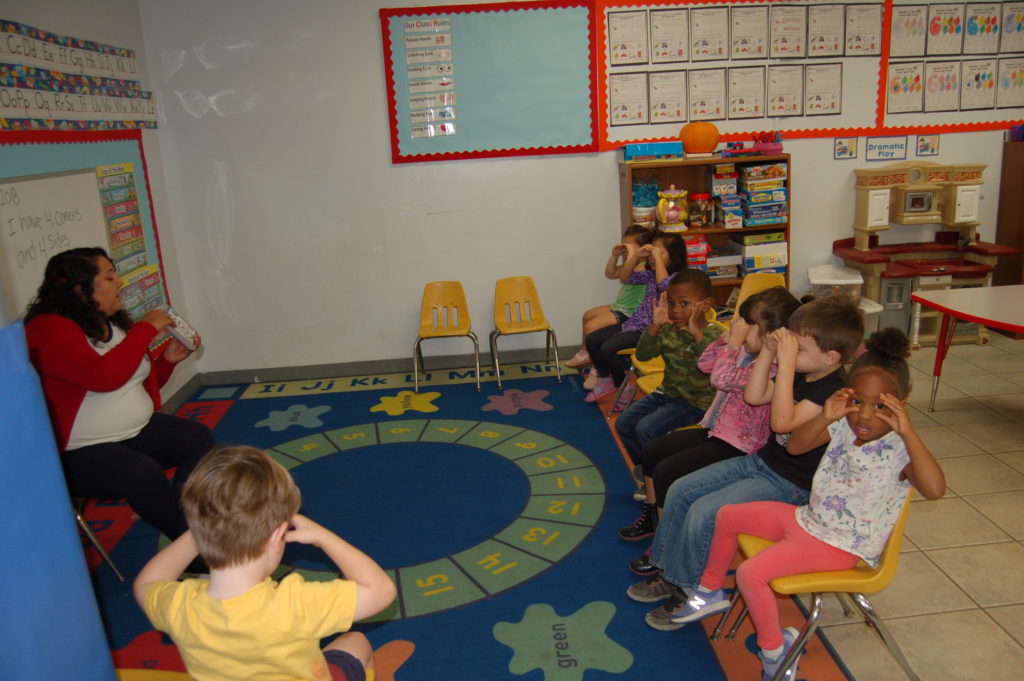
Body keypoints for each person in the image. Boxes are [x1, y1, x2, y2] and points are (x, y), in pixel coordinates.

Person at [663, 328, 944, 681]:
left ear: (900, 405)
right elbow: (796, 446)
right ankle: (709, 592)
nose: (865, 416)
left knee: (751, 574)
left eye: (881, 407)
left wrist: (908, 432)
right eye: (858, 401)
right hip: (807, 520)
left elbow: (934, 489)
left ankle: (774, 655)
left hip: (840, 545)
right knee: (728, 516)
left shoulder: (900, 450)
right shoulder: (843, 424)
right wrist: (827, 415)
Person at [626, 296, 864, 626]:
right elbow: (754, 396)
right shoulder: (804, 371)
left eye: (802, 349)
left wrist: (788, 363)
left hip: (790, 484)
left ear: (831, 357)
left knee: (705, 510)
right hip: (761, 463)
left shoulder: (830, 390)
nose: (794, 352)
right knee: (681, 489)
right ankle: (671, 573)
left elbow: (781, 423)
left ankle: (692, 589)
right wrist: (768, 351)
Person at [135, 446, 397, 681]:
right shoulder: (294, 604)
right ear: (277, 537)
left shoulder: (180, 606)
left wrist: (201, 529)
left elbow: (146, 582)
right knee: (356, 642)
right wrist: (323, 537)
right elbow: (381, 591)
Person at [24, 247, 213, 541]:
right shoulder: (48, 329)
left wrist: (166, 362)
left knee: (198, 439)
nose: (119, 283)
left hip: (131, 433)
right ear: (80, 288)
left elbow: (131, 384)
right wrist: (146, 329)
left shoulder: (107, 321)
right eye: (110, 277)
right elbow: (103, 378)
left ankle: (183, 521)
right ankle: (188, 542)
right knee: (142, 474)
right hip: (79, 452)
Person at [619, 287, 801, 544]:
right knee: (652, 452)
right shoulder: (747, 351)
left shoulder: (772, 366)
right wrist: (727, 342)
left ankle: (665, 542)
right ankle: (653, 517)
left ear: (771, 334)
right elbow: (704, 363)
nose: (740, 326)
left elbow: (721, 378)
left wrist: (734, 344)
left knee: (666, 472)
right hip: (717, 431)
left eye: (748, 323)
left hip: (741, 445)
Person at [613, 268, 723, 466]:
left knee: (645, 429)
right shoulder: (669, 330)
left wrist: (696, 333)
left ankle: (662, 472)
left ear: (705, 305)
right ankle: (647, 469)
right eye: (671, 303)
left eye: (684, 303)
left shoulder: (716, 334)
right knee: (623, 423)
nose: (676, 310)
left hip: (696, 404)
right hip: (666, 394)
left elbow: (716, 365)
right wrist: (655, 326)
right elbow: (643, 355)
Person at [581, 233, 687, 403]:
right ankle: (605, 379)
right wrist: (637, 256)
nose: (653, 258)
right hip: (636, 323)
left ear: (674, 256)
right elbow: (625, 277)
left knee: (608, 348)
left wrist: (657, 258)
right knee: (593, 340)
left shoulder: (680, 278)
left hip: (655, 330)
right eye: (653, 253)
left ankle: (623, 388)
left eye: (659, 253)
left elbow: (665, 286)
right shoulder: (650, 274)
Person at [565, 225, 654, 369]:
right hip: (619, 307)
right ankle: (585, 353)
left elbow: (625, 276)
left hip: (629, 313)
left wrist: (633, 255)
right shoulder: (631, 264)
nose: (626, 251)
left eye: (629, 247)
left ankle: (596, 366)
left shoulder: (644, 267)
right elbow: (610, 273)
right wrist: (615, 255)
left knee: (591, 327)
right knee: (587, 316)